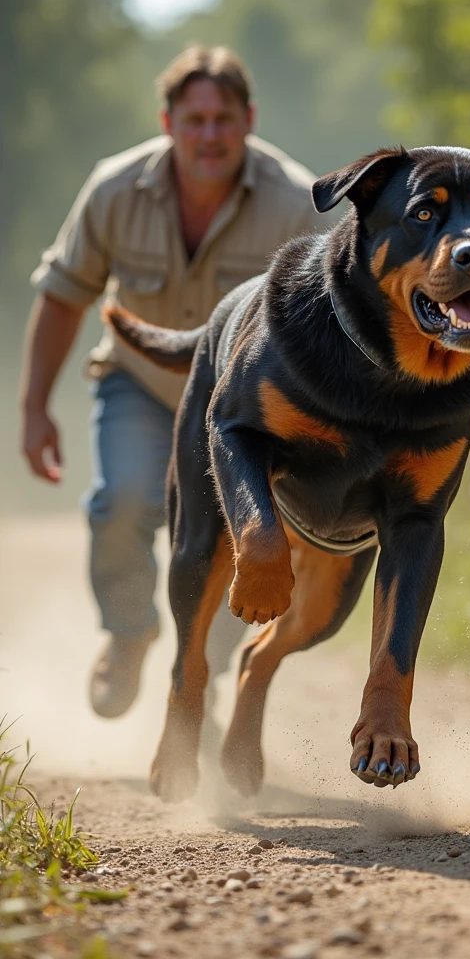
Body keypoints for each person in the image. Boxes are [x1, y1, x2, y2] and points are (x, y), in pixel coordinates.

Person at [19, 45, 329, 722]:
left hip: (243, 411)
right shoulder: (113, 189)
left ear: (248, 120)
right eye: (194, 120)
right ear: (167, 123)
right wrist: (34, 407)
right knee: (122, 499)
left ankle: (200, 675)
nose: (209, 135)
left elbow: (329, 323)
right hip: (140, 387)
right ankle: (129, 632)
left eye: (223, 119)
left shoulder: (295, 202)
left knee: (239, 538)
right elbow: (64, 295)